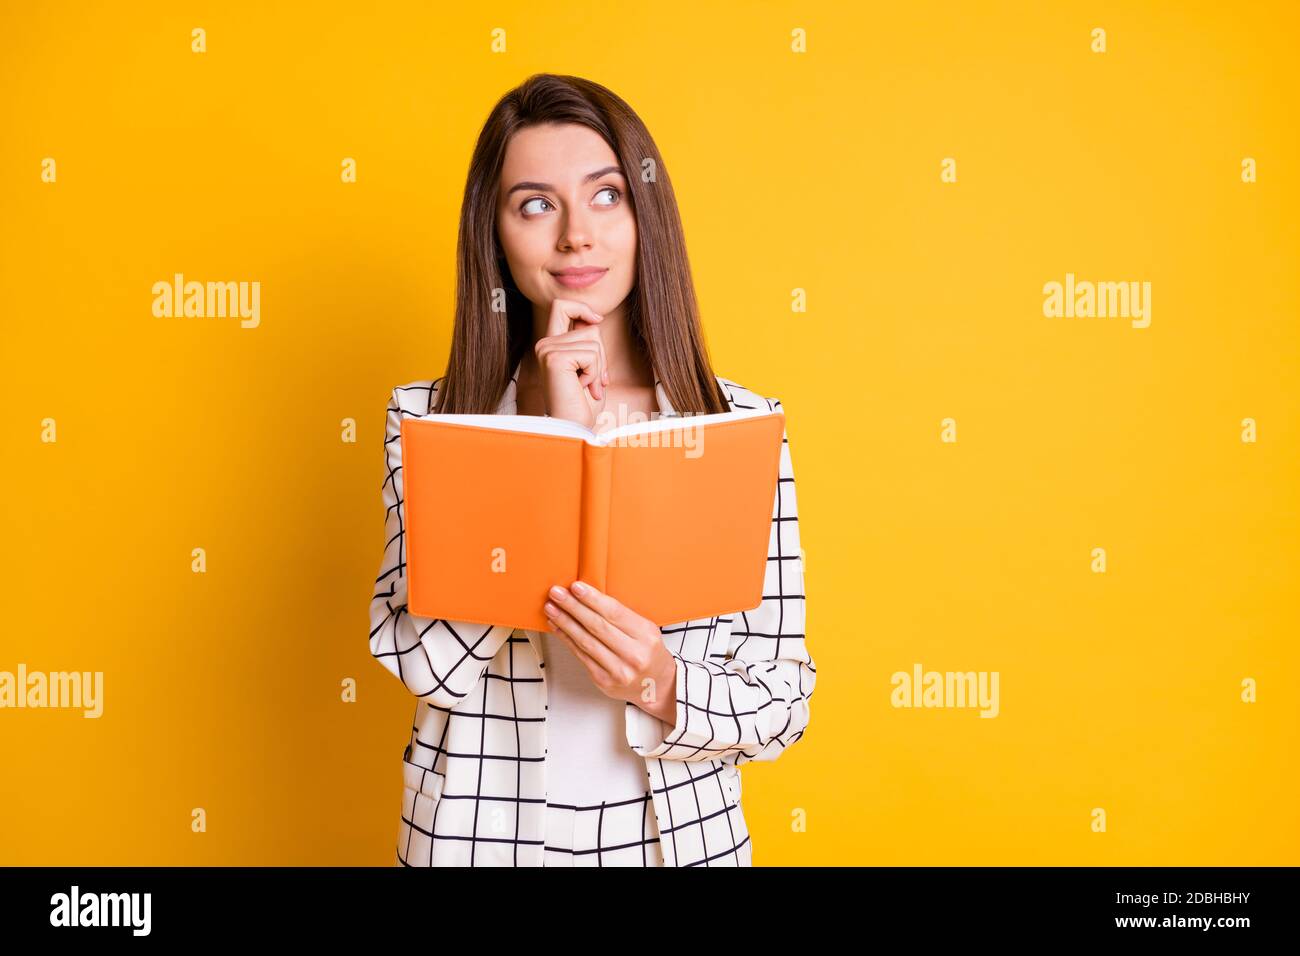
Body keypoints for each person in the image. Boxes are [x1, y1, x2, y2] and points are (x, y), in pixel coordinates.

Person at [369, 73, 816, 867]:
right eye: (536, 205)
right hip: (479, 843)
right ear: (496, 237)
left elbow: (784, 700)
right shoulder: (428, 420)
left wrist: (660, 680)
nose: (576, 235)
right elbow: (421, 661)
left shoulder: (740, 426)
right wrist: (545, 442)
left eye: (606, 196)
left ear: (647, 219)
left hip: (673, 846)